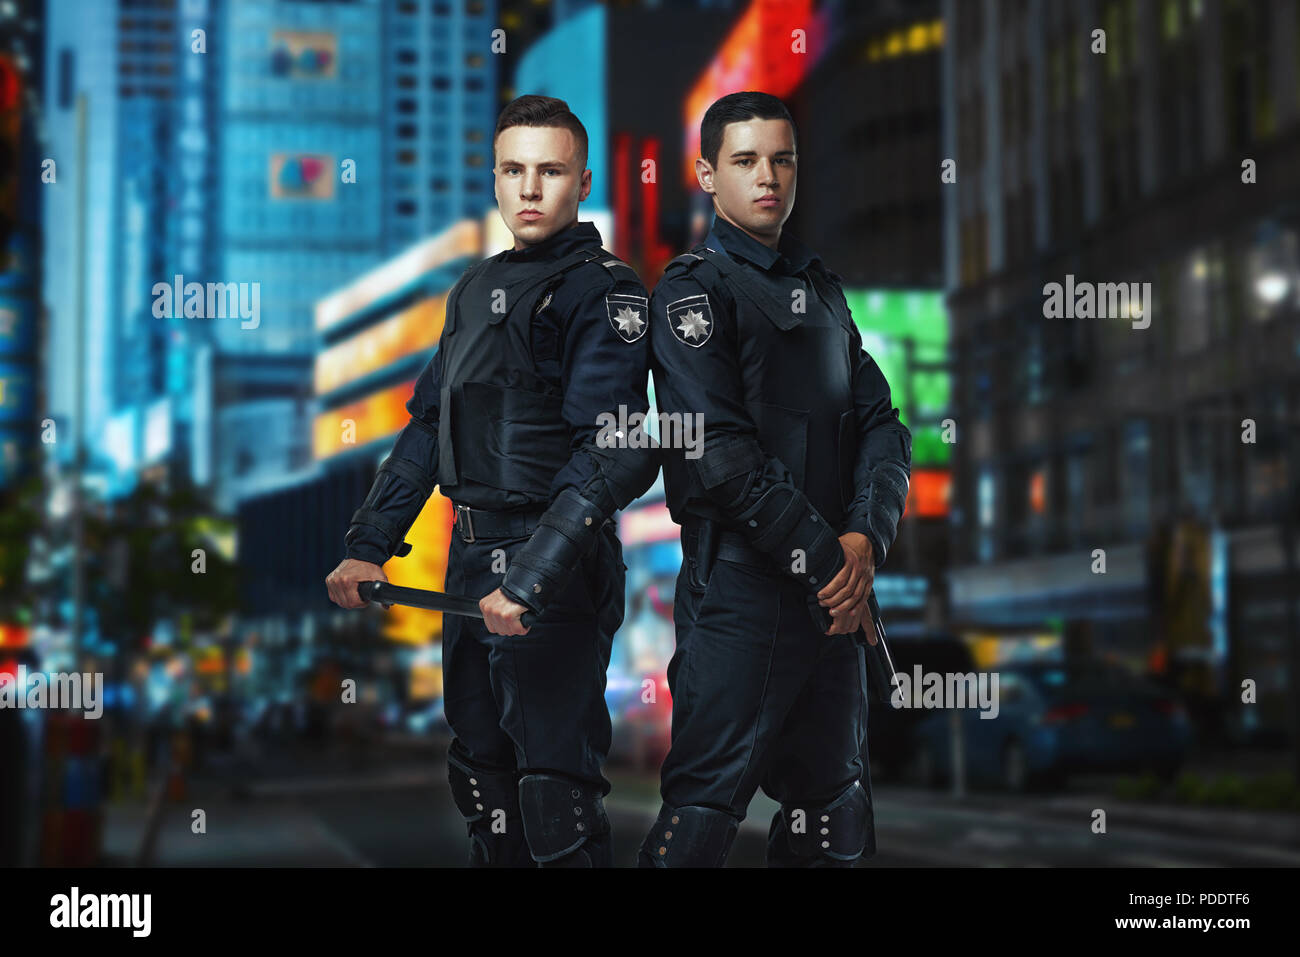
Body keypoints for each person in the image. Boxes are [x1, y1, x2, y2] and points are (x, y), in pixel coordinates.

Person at [326, 95, 657, 867]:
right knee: (482, 783)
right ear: (496, 179)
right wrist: (368, 543)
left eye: (550, 171)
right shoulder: (473, 290)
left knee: (555, 801)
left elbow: (612, 449)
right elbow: (426, 428)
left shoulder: (604, 292)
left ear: (581, 181)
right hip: (469, 560)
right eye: (514, 170)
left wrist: (535, 577)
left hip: (557, 567)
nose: (530, 188)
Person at [640, 91, 912, 867]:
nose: (769, 177)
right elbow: (721, 459)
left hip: (833, 599)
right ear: (706, 174)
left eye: (782, 159)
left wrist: (865, 537)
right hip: (742, 591)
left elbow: (883, 427)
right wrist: (837, 566)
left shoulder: (823, 291)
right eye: (747, 160)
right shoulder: (692, 292)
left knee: (835, 810)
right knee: (700, 814)